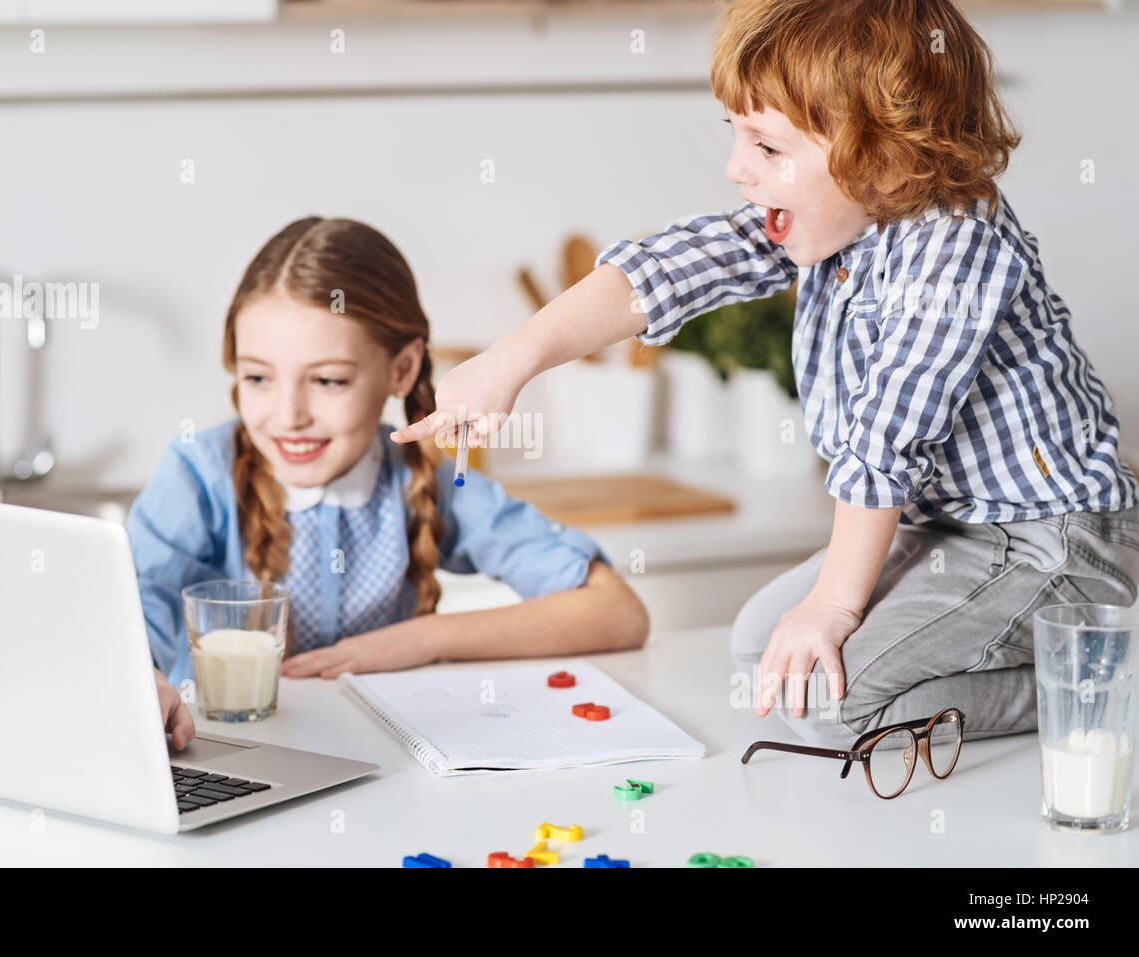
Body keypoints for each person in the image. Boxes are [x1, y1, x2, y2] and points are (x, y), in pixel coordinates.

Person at [390, 0, 1139, 749]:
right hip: (945, 526)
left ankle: (1105, 675)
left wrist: (836, 605)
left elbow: (887, 442)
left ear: (882, 160)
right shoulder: (847, 215)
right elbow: (671, 268)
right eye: (737, 135)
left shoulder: (957, 250)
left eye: (769, 148)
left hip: (1055, 541)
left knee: (825, 704)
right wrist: (509, 361)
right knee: (762, 650)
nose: (737, 169)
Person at [134, 217, 650, 750]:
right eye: (258, 377)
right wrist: (140, 679)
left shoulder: (421, 479)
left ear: (402, 369)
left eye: (328, 380)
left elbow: (617, 612)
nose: (288, 416)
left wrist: (420, 640)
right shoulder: (200, 474)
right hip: (229, 762)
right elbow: (127, 620)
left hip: (384, 771)